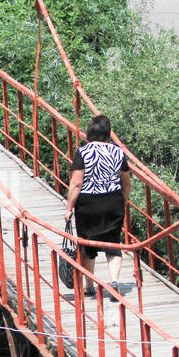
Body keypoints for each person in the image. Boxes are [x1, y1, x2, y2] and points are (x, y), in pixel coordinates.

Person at [64, 115, 132, 297]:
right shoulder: (118, 152)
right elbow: (126, 182)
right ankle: (115, 280)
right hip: (113, 201)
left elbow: (76, 183)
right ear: (108, 133)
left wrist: (69, 207)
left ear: (88, 134)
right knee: (113, 244)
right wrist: (123, 201)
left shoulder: (83, 152)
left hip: (88, 204)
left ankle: (89, 286)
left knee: (87, 245)